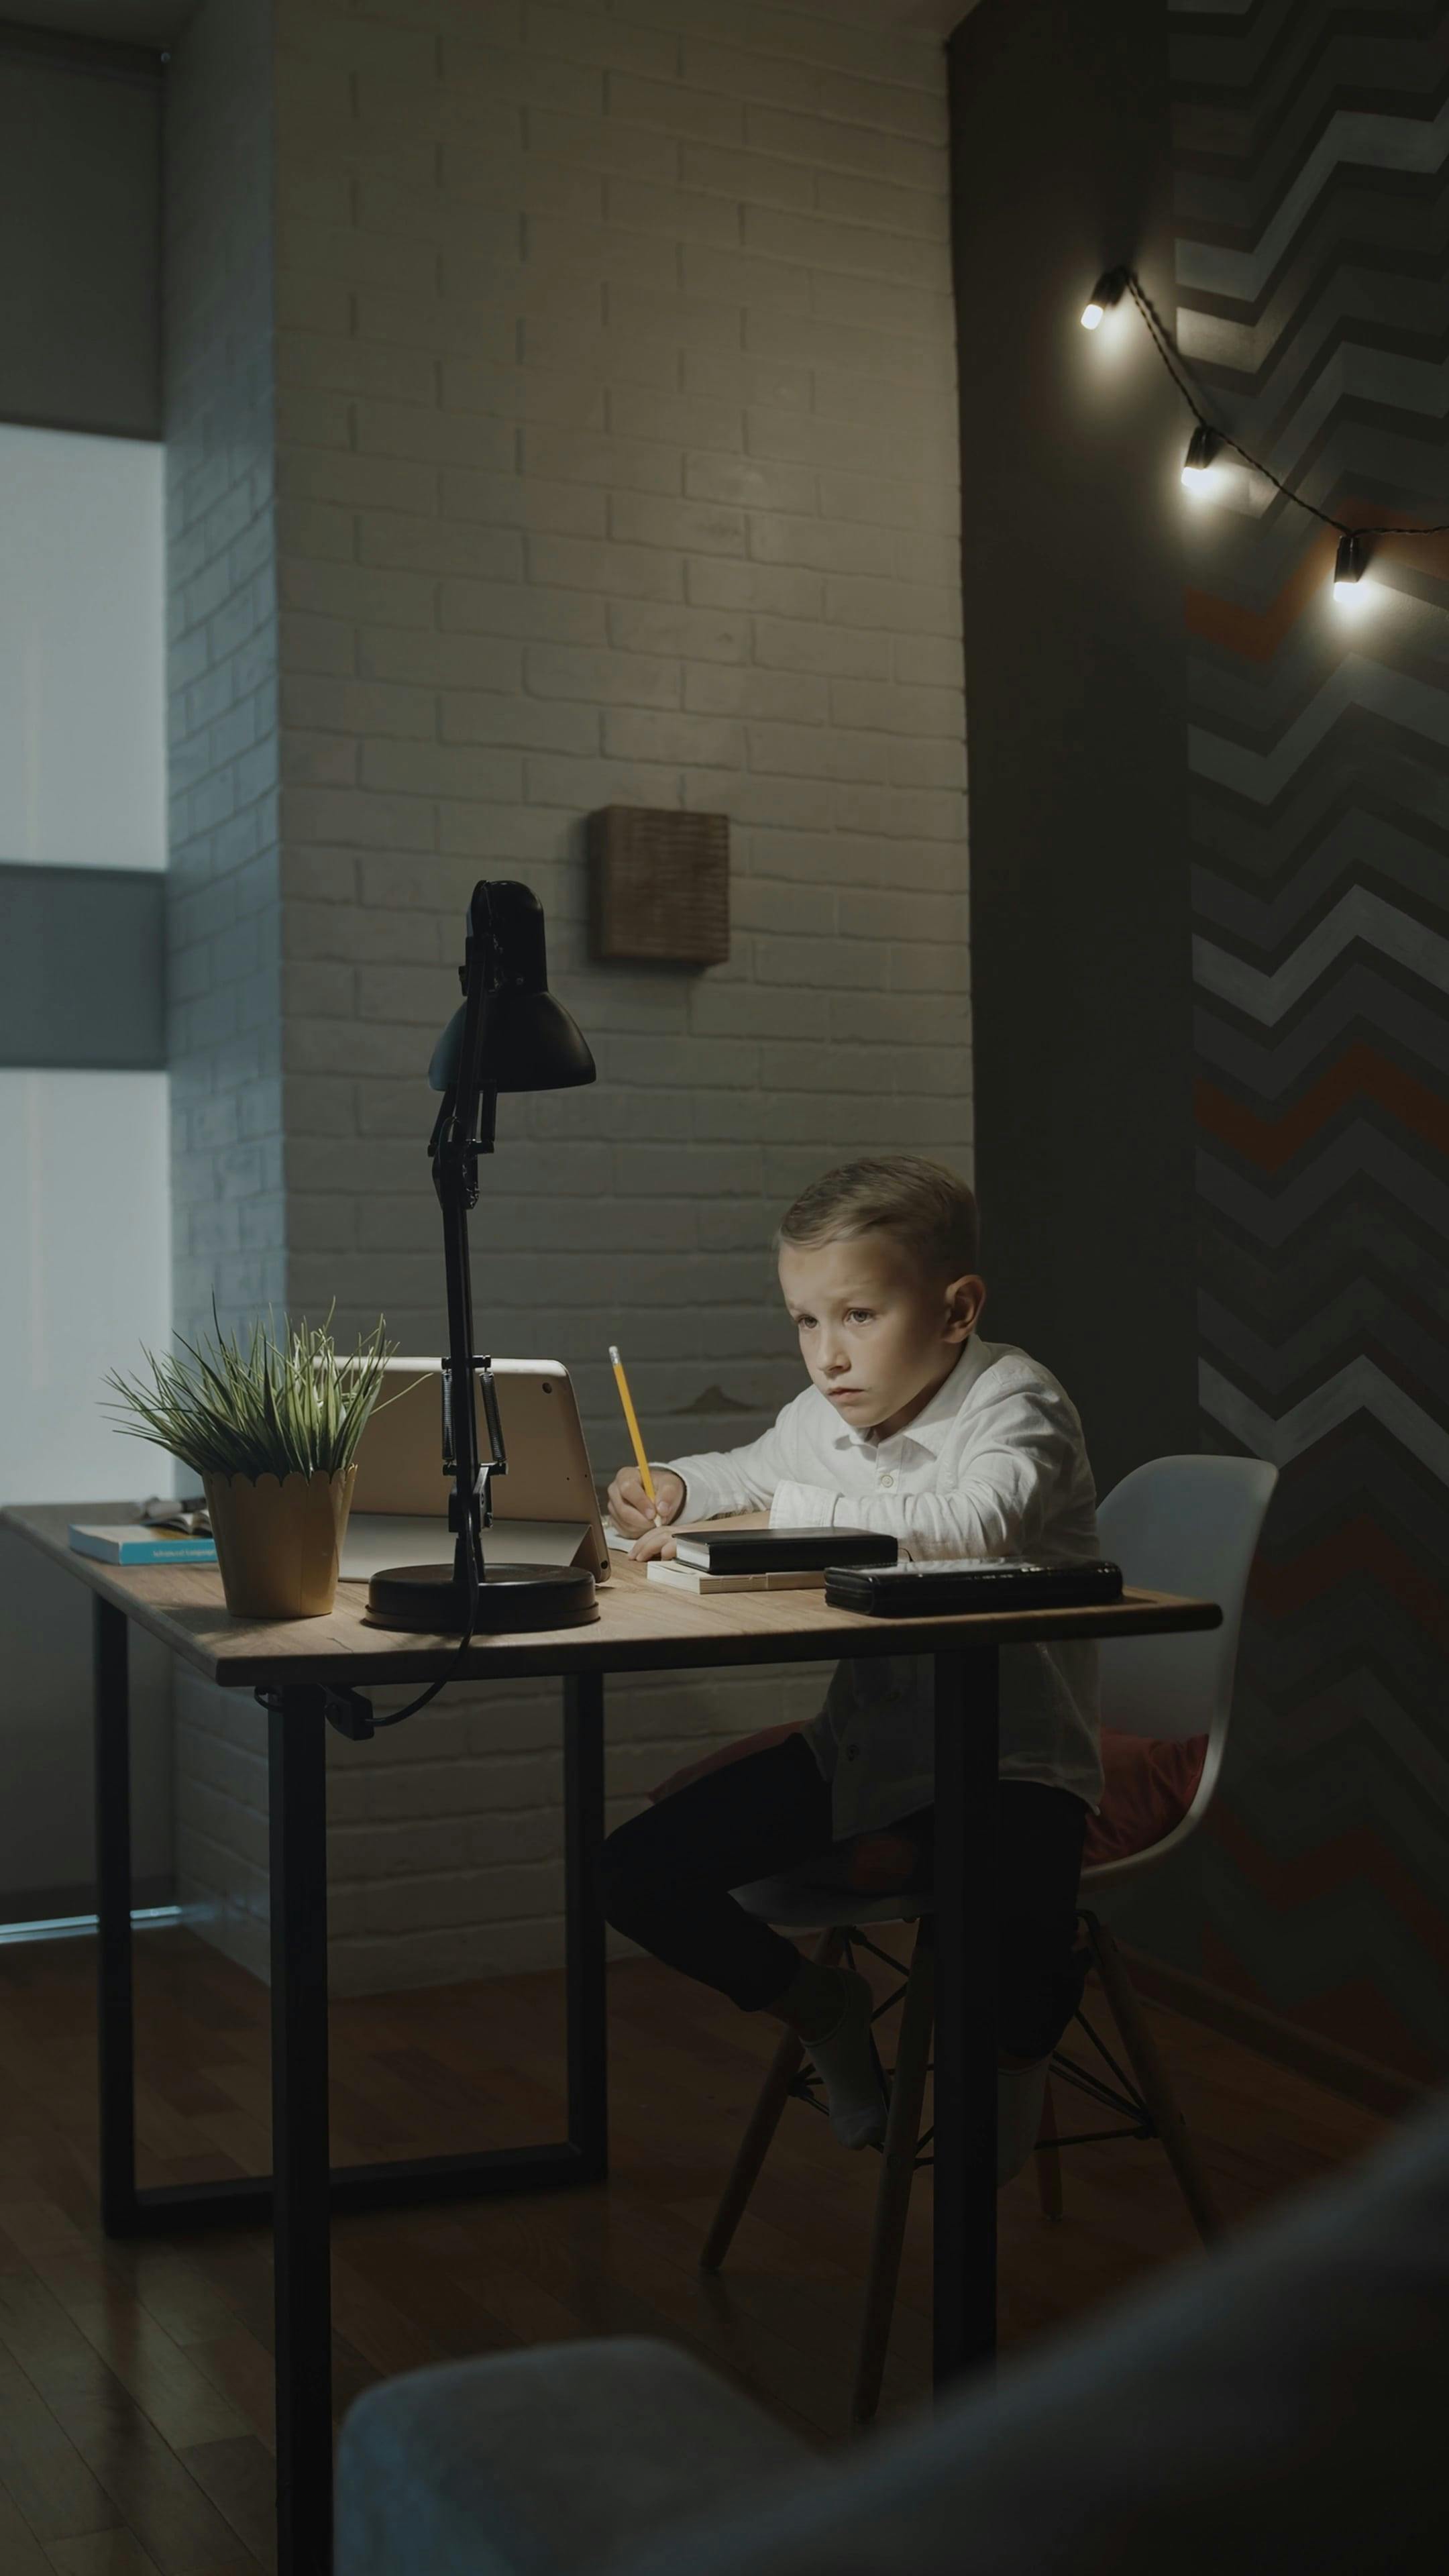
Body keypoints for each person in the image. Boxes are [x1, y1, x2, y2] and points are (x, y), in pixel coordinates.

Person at [600, 1156, 1099, 2163]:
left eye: (858, 1317)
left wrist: (780, 1513)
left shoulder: (1015, 1401)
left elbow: (973, 1526)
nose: (826, 1357)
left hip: (1013, 1766)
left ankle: (993, 2101)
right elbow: (733, 1470)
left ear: (957, 1311)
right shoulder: (821, 1418)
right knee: (628, 1875)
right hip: (865, 1755)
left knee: (1002, 1953)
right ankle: (823, 2005)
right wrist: (671, 1492)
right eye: (804, 1322)